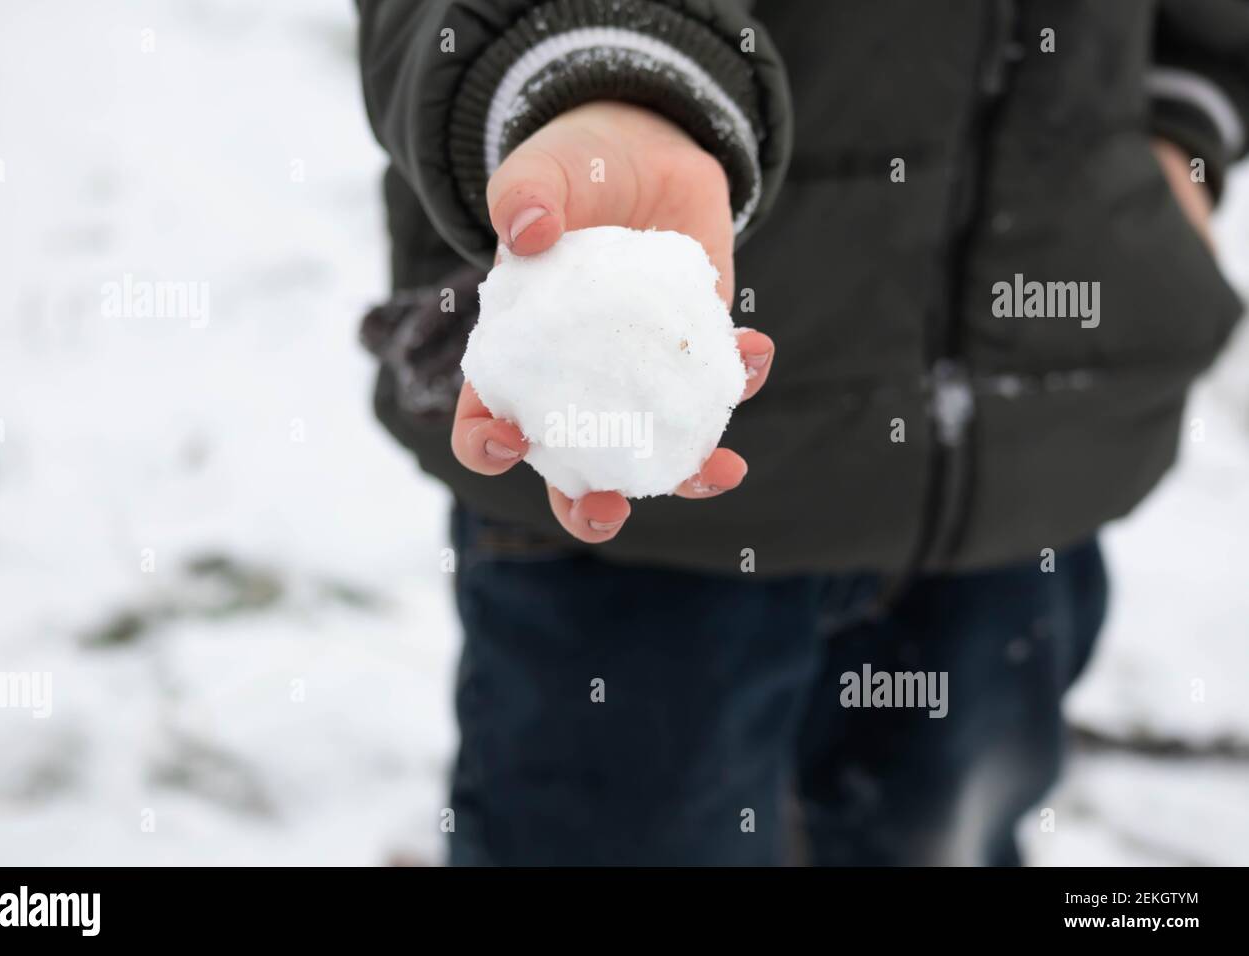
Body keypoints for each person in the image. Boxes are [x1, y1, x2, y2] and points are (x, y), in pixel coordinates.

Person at [356, 0, 1248, 865]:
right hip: (652, 538)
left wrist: (1187, 120)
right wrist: (612, 67)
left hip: (1021, 468)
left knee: (945, 832)